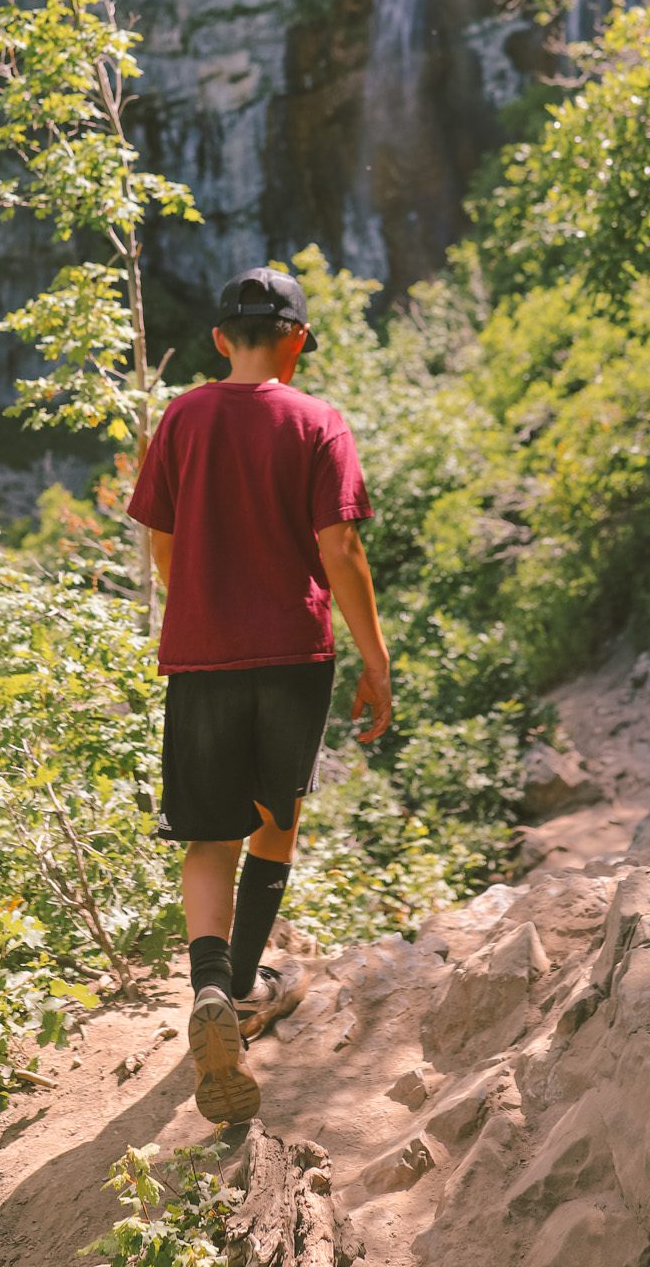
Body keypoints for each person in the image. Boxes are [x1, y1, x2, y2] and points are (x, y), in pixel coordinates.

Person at [127, 264, 393, 1126]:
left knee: (208, 837)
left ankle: (209, 988)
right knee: (274, 818)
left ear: (216, 340)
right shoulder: (317, 422)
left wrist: (201, 605)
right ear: (298, 341)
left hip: (200, 654)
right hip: (291, 654)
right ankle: (242, 992)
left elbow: (161, 540)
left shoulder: (182, 416)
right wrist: (374, 658)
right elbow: (340, 551)